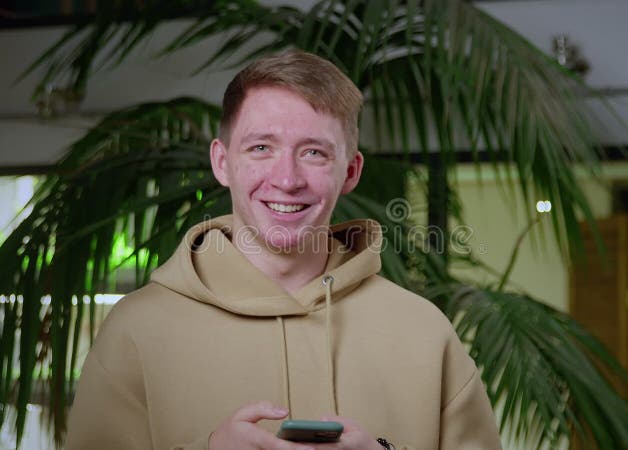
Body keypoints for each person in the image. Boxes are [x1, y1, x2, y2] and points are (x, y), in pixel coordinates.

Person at [66, 50, 502, 450]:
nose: (287, 179)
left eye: (313, 152)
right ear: (222, 162)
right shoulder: (136, 330)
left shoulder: (426, 332)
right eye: (261, 147)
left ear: (350, 172)